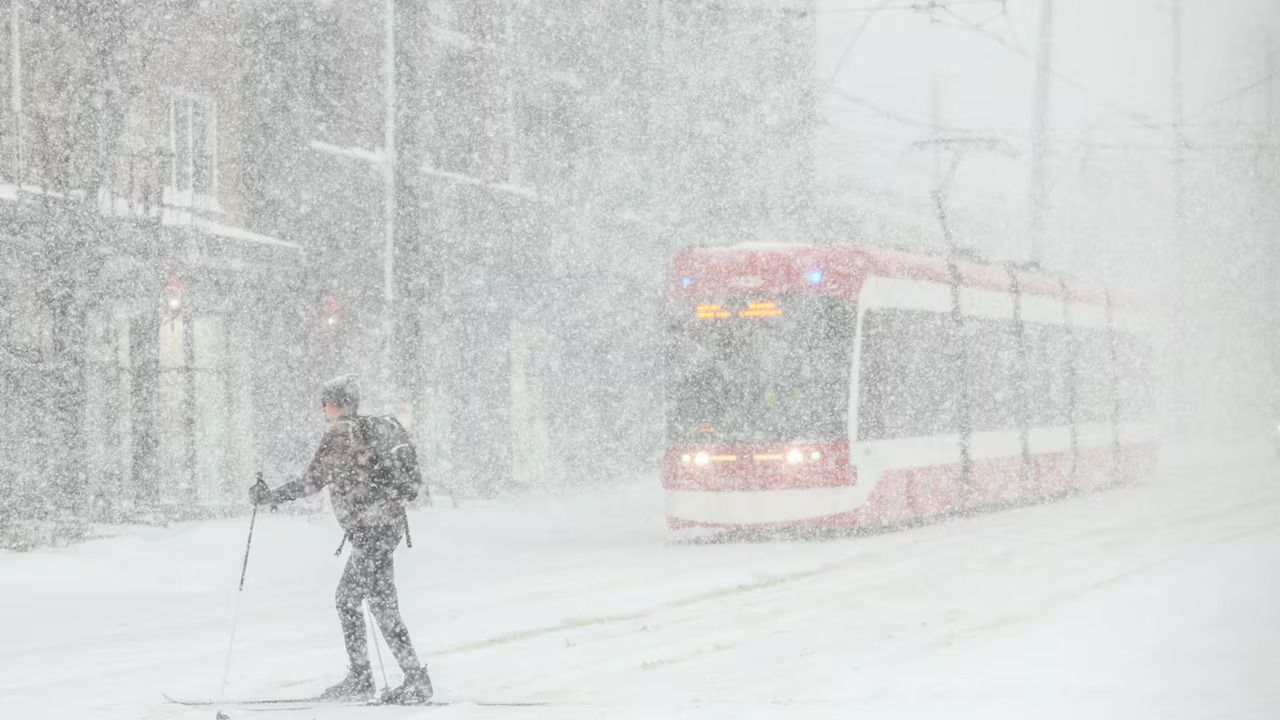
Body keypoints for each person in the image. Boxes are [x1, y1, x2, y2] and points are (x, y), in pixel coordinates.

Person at [250, 374, 431, 705]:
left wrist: (271, 495)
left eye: (326, 403)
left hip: (371, 530)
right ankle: (371, 677)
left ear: (337, 405)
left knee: (375, 604)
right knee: (352, 599)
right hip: (382, 527)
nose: (324, 409)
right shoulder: (370, 430)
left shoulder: (340, 437)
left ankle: (409, 680)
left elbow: (311, 481)